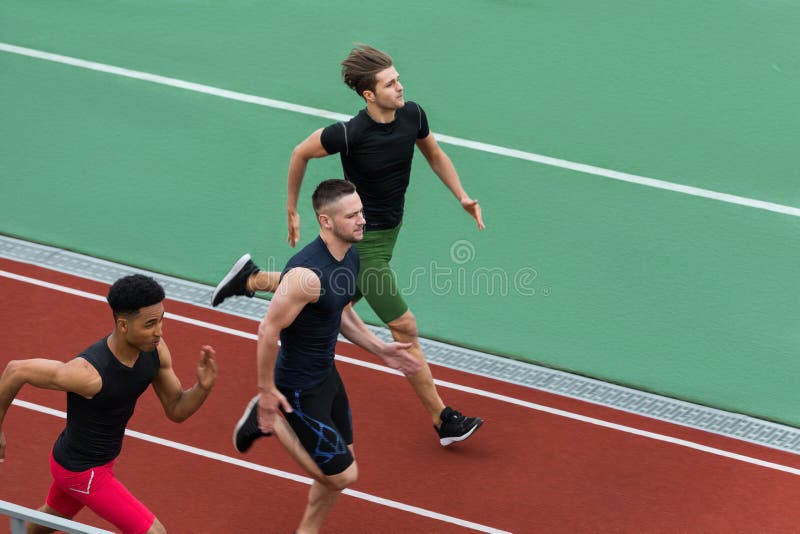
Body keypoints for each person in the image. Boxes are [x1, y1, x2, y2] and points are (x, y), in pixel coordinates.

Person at [213, 44, 484, 446]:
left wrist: (461, 196)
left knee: (327, 293)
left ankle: (251, 279)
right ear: (369, 94)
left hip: (388, 233)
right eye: (390, 84)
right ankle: (442, 419)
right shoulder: (349, 133)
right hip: (363, 241)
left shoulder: (413, 115)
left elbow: (434, 154)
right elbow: (300, 152)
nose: (400, 87)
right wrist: (291, 208)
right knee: (404, 326)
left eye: (398, 79)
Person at [231, 179, 421, 534]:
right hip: (297, 388)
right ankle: (266, 417)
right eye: (352, 216)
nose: (362, 220)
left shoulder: (350, 256)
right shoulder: (305, 275)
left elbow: (342, 312)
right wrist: (267, 392)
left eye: (361, 212)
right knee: (343, 475)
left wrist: (381, 350)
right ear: (326, 221)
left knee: (341, 463)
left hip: (326, 378)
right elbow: (267, 331)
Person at [0, 274, 218, 534]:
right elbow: (16, 370)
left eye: (161, 320)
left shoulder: (155, 351)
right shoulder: (88, 375)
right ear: (124, 325)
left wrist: (202, 388)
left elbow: (177, 408)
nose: (159, 331)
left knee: (46, 522)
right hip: (81, 471)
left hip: (86, 459)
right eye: (150, 324)